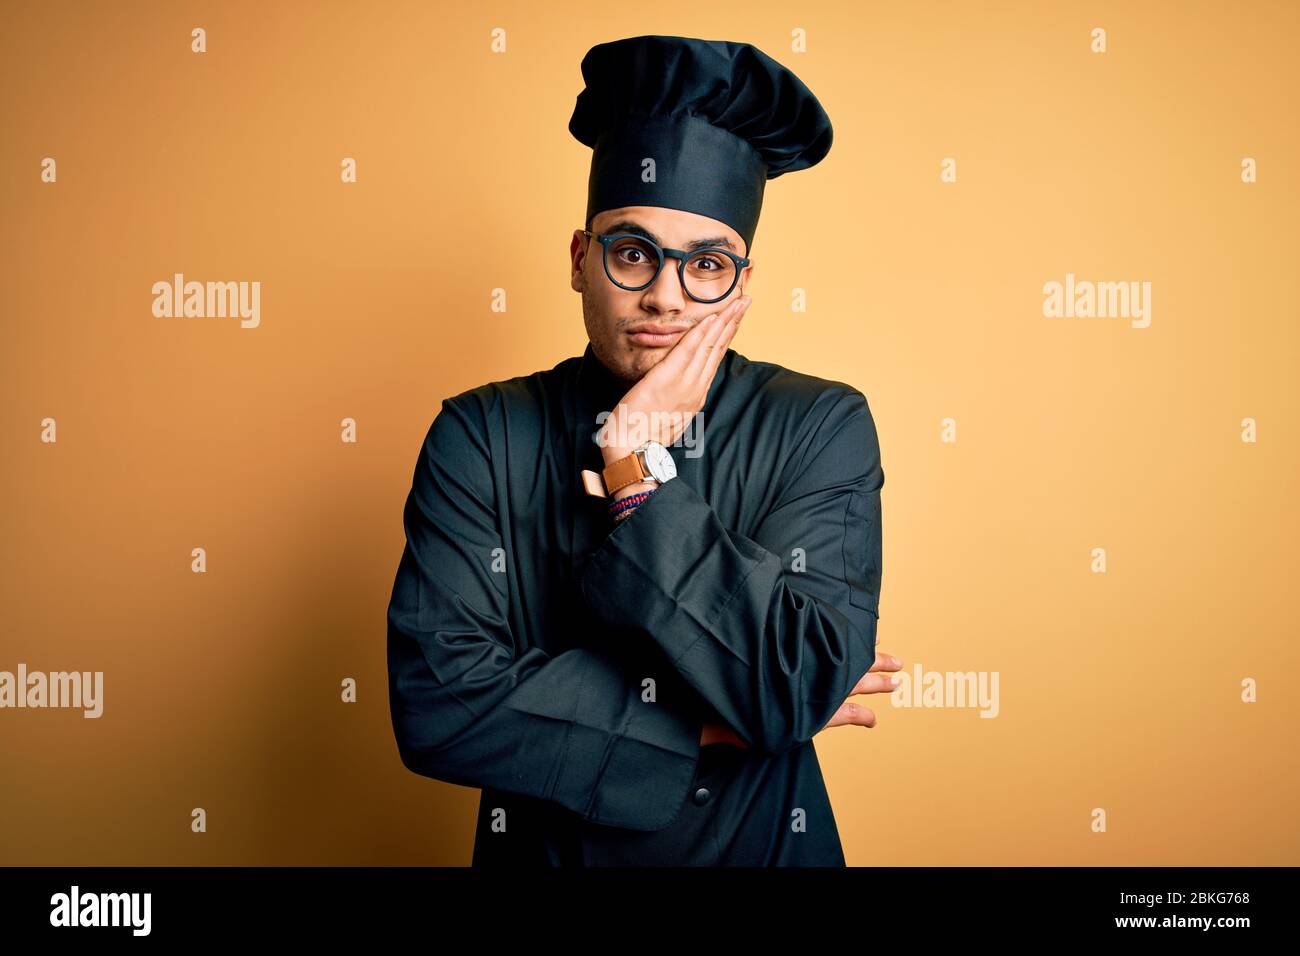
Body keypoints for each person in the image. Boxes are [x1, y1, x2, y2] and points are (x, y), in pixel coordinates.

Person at [386, 34, 898, 866]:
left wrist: (635, 473)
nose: (664, 295)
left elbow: (801, 682)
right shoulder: (480, 433)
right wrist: (709, 721)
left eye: (705, 265)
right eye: (633, 253)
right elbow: (438, 708)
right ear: (582, 261)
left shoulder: (819, 423)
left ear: (741, 283)